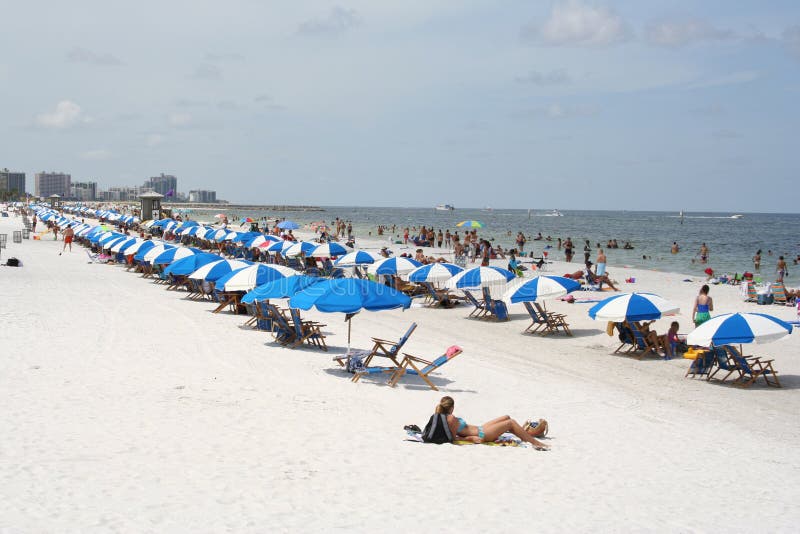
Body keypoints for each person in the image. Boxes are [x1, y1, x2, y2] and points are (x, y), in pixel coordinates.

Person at [434, 396, 549, 450]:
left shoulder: (445, 417)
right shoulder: (451, 419)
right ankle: (535, 442)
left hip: (481, 429)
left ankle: (524, 433)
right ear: (452, 408)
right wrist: (471, 438)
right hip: (483, 434)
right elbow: (453, 438)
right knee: (511, 422)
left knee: (506, 417)